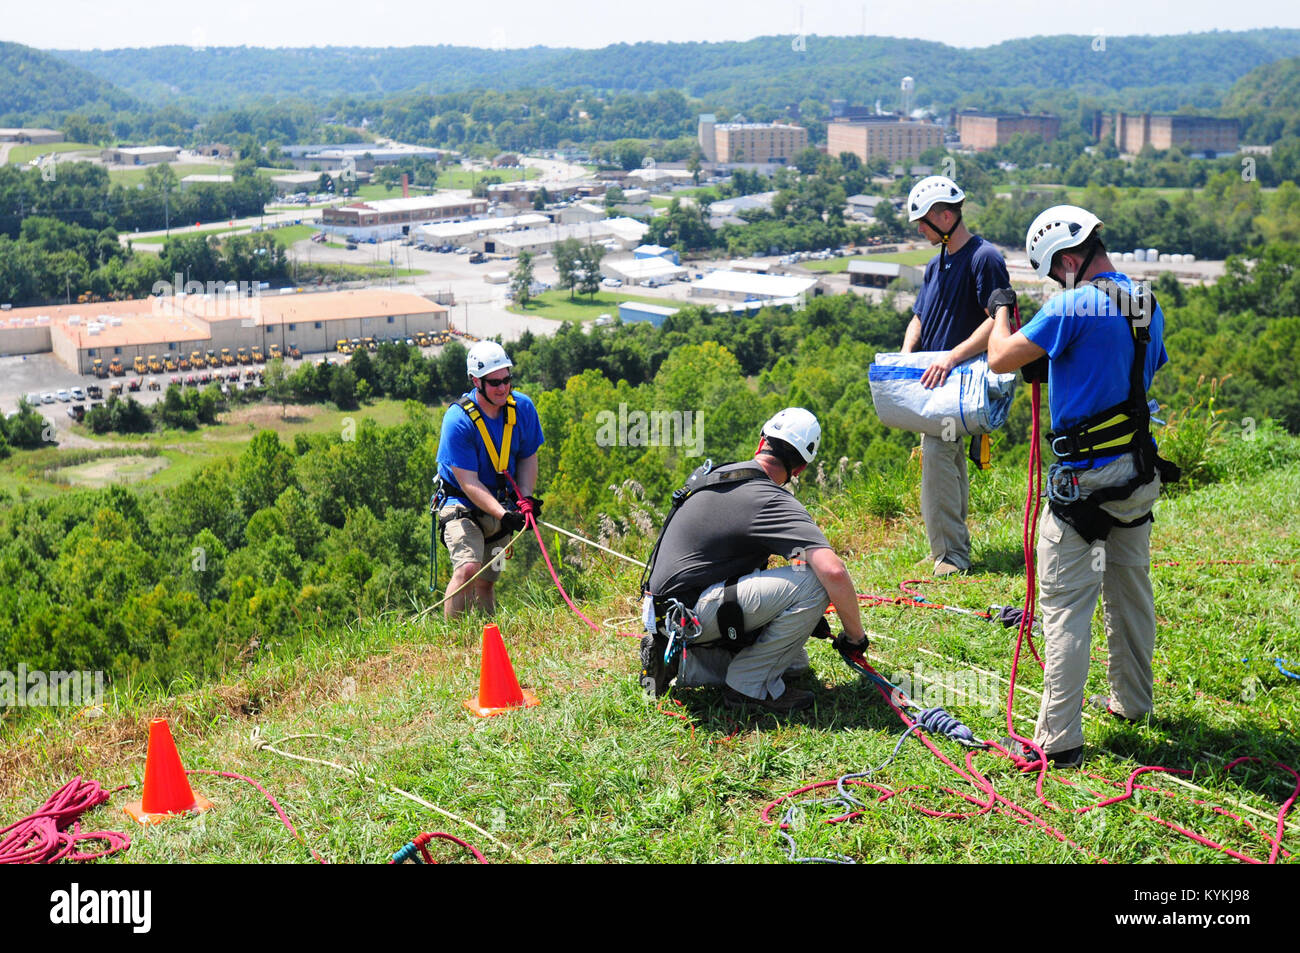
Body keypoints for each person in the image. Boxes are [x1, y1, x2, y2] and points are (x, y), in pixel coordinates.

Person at [986, 205, 1179, 768]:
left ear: (1069, 258)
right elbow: (1137, 370)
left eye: (1054, 272)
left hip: (1083, 482)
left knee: (1066, 605)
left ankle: (1059, 741)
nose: (1055, 282)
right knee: (1130, 589)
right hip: (1137, 473)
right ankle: (1132, 701)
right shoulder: (1146, 303)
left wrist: (1002, 311)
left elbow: (1000, 358)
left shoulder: (1071, 305)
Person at [638, 408, 871, 713]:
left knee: (794, 663)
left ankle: (683, 668)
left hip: (663, 613)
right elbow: (833, 572)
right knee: (816, 582)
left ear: (762, 443)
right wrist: (855, 639)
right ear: (799, 470)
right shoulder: (771, 499)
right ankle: (748, 689)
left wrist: (803, 615)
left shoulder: (716, 475)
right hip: (691, 613)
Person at [902, 175, 1010, 576]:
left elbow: (998, 320)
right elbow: (919, 316)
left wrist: (951, 357)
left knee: (938, 457)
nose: (919, 229)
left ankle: (950, 556)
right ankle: (949, 546)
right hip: (933, 382)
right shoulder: (936, 264)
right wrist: (906, 356)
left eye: (924, 221)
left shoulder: (985, 259)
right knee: (948, 461)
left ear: (946, 216)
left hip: (960, 382)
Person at [435, 341, 545, 618]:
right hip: (461, 503)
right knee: (468, 569)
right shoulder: (458, 420)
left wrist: (525, 499)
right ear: (476, 381)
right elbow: (468, 481)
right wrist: (505, 515)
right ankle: (452, 639)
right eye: (494, 382)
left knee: (487, 580)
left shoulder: (523, 408)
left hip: (502, 503)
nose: (502, 387)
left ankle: (486, 636)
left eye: (507, 379)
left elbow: (527, 456)